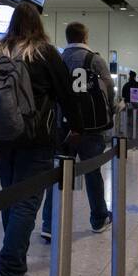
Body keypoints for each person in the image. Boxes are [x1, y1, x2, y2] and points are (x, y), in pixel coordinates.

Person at [0, 3, 84, 276]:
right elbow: (67, 96)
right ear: (38, 24)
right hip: (36, 140)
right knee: (26, 204)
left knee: (10, 197)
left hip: (0, 140)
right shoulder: (45, 53)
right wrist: (78, 130)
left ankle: (12, 267)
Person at [40, 21, 113, 241]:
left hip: (62, 125)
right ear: (86, 37)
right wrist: (110, 108)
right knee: (92, 171)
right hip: (90, 126)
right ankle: (99, 218)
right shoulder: (94, 59)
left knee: (57, 172)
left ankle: (49, 224)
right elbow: (109, 87)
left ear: (68, 37)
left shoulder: (58, 59)